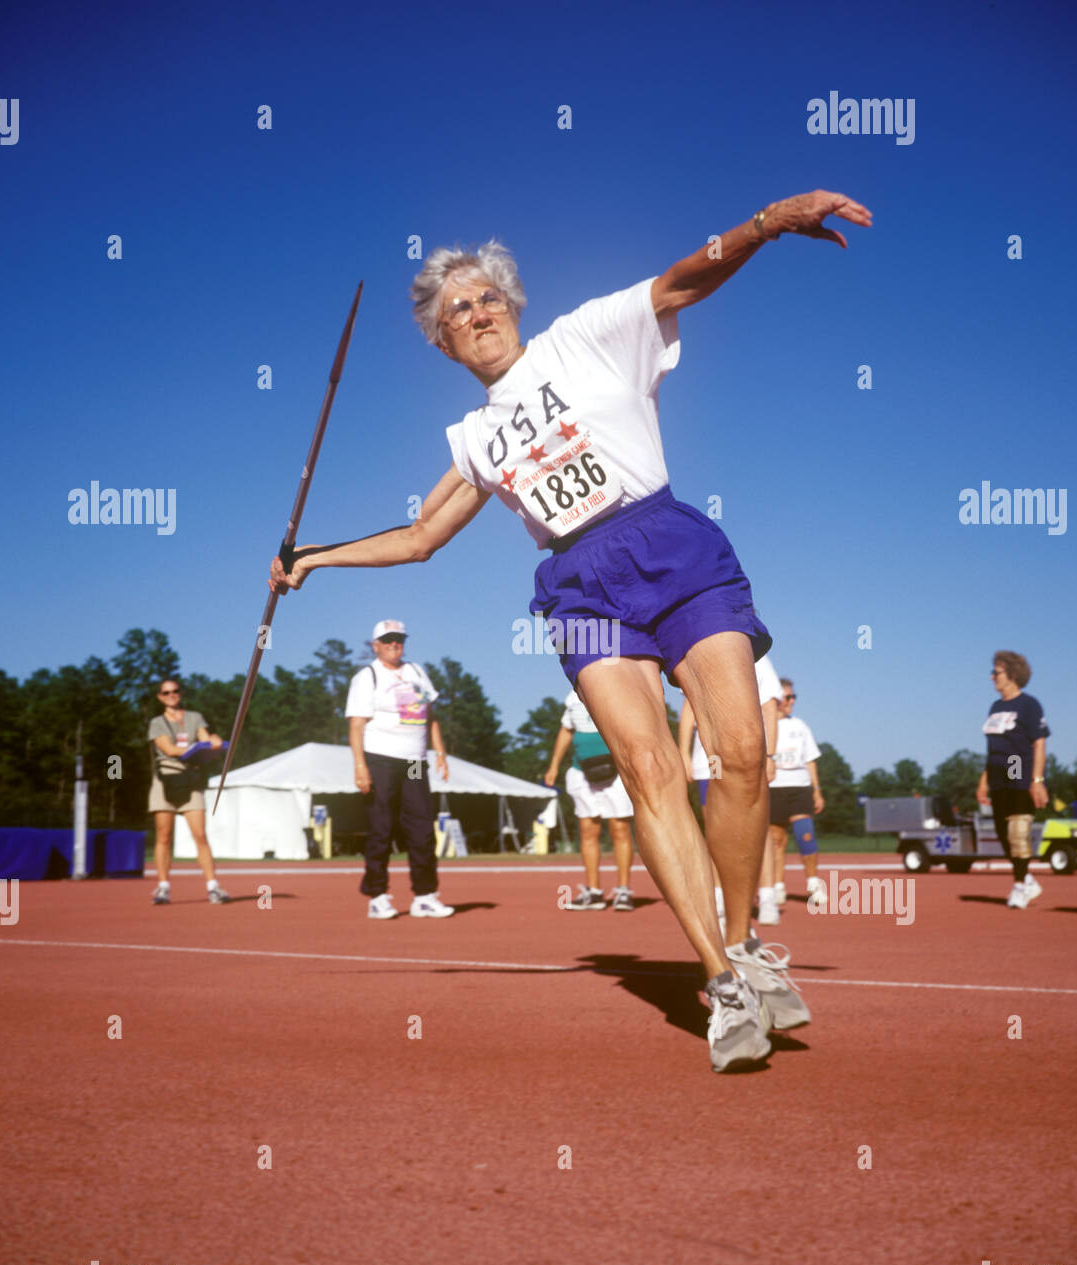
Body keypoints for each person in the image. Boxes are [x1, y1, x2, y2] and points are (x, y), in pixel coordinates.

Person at [270, 189, 871, 1070]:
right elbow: (421, 536)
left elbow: (679, 283)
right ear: (442, 343)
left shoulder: (585, 334)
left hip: (671, 546)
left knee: (740, 753)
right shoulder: (476, 437)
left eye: (485, 298)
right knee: (646, 766)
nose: (475, 314)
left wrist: (764, 226)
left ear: (512, 305)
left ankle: (743, 943)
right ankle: (723, 979)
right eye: (455, 313)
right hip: (579, 590)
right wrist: (314, 557)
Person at [346, 619, 454, 919]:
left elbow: (430, 716)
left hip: (414, 763)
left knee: (422, 828)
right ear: (375, 645)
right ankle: (378, 895)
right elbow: (356, 725)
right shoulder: (367, 677)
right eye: (388, 639)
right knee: (381, 827)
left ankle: (425, 894)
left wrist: (440, 753)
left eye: (399, 639)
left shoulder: (416, 672)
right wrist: (360, 766)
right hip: (381, 759)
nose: (395, 644)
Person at [678, 653, 783, 923]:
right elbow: (690, 705)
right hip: (710, 761)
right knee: (715, 829)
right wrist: (684, 753)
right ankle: (719, 898)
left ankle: (768, 896)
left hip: (747, 758)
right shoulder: (698, 654)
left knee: (756, 828)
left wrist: (769, 756)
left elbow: (770, 707)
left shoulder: (756, 658)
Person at [544, 690, 635, 910]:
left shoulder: (614, 690)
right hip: (581, 770)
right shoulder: (572, 697)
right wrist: (554, 765)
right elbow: (566, 731)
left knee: (619, 829)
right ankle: (594, 892)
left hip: (615, 771)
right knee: (588, 830)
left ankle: (623, 891)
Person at [976, 651, 1050, 909]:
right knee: (1002, 833)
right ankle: (1027, 879)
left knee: (1018, 831)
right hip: (997, 774)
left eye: (997, 672)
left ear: (1013, 675)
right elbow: (992, 749)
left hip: (1018, 769)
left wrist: (1037, 780)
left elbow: (1039, 743)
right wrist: (983, 781)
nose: (992, 677)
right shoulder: (995, 707)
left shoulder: (1029, 705)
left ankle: (1019, 886)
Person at [147, 677, 229, 906]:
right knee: (164, 836)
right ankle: (163, 888)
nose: (172, 695)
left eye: (176, 691)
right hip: (166, 779)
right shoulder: (157, 723)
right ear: (160, 697)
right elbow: (169, 749)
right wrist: (198, 746)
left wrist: (214, 741)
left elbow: (205, 738)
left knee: (200, 835)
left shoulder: (194, 717)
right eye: (166, 692)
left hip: (191, 779)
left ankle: (213, 886)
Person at [768, 678, 826, 919]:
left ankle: (813, 884)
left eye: (793, 697)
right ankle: (778, 887)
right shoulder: (764, 726)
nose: (791, 701)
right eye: (787, 697)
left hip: (799, 787)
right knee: (776, 841)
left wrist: (816, 789)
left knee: (805, 834)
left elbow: (810, 759)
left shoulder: (800, 726)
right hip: (773, 788)